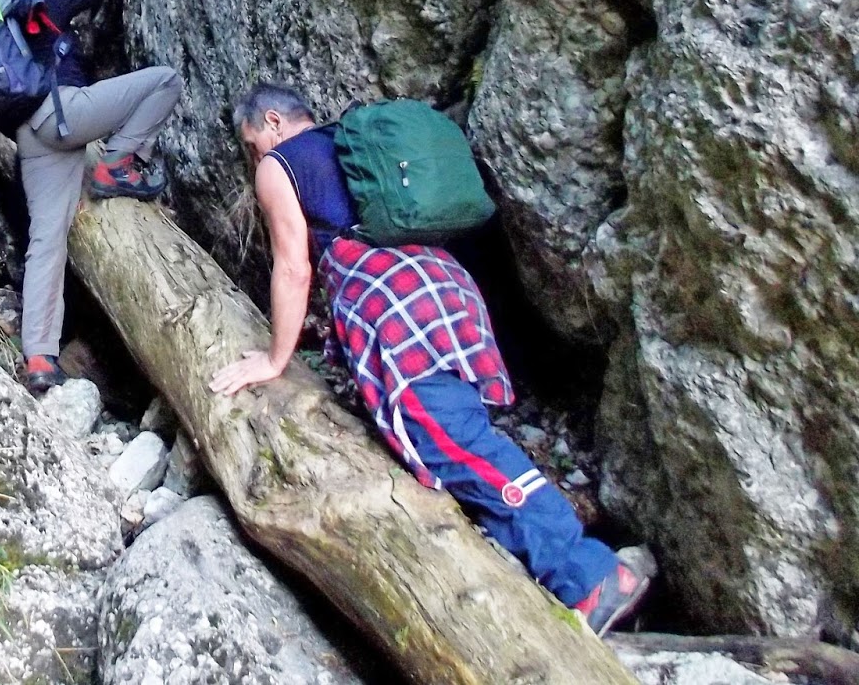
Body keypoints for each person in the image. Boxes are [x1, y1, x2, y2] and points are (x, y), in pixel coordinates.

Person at [211, 83, 654, 636]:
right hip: (444, 286)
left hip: (398, 306)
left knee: (457, 445)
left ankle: (591, 576)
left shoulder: (279, 167)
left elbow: (294, 268)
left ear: (273, 122)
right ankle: (565, 568)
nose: (253, 154)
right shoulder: (353, 146)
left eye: (251, 141)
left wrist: (275, 359)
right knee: (458, 435)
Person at [0, 0, 184, 394]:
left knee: (46, 243)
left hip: (32, 140)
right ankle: (118, 165)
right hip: (67, 115)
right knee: (165, 81)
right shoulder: (45, 5)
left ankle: (40, 357)